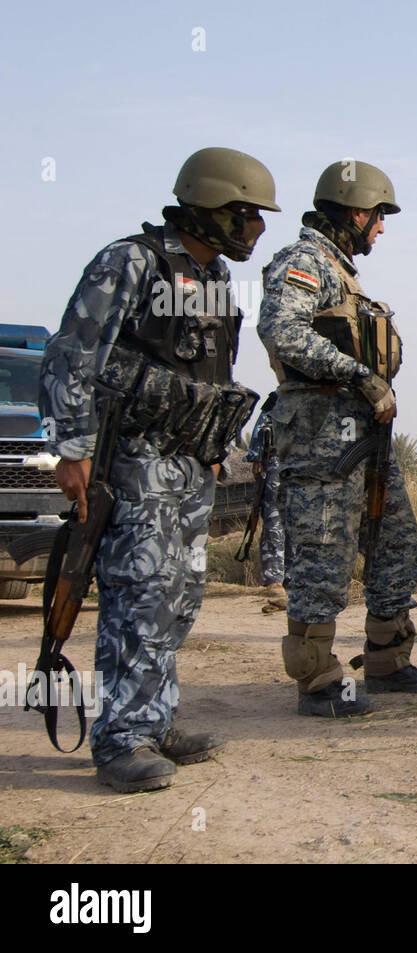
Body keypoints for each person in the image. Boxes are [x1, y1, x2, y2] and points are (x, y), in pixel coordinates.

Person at [41, 147, 279, 791]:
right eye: (245, 214)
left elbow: (209, 375)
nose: (255, 229)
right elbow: (72, 355)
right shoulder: (131, 263)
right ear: (207, 204)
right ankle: (122, 741)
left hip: (190, 465)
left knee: (180, 597)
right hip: (136, 461)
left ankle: (155, 720)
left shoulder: (216, 279)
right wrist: (73, 449)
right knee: (138, 595)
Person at [258, 160, 417, 718]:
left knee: (397, 546)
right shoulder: (304, 263)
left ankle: (388, 661)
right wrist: (360, 375)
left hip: (364, 440)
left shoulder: (341, 274)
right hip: (320, 441)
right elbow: (280, 330)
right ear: (357, 211)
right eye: (380, 217)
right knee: (321, 556)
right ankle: (316, 679)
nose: (381, 230)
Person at [245, 394, 287, 611]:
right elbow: (263, 423)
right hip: (277, 464)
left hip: (309, 467)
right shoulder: (277, 397)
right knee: (273, 521)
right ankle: (274, 580)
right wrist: (257, 457)